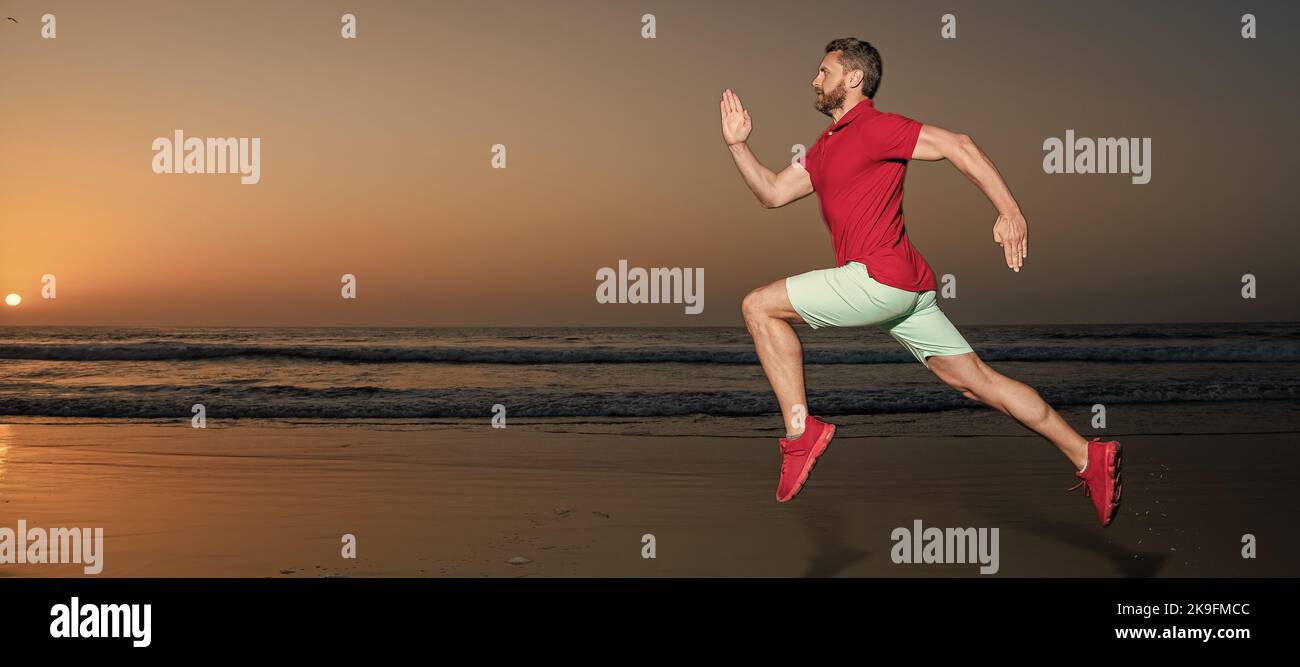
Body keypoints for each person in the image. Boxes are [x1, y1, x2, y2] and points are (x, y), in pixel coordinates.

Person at [720, 37, 1121, 525]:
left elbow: (960, 146)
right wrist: (738, 145)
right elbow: (772, 193)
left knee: (758, 307)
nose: (814, 79)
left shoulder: (875, 128)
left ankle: (801, 433)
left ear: (853, 79)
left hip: (878, 280)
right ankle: (1087, 454)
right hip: (906, 289)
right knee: (979, 384)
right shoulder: (825, 147)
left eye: (824, 71)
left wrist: (1010, 211)